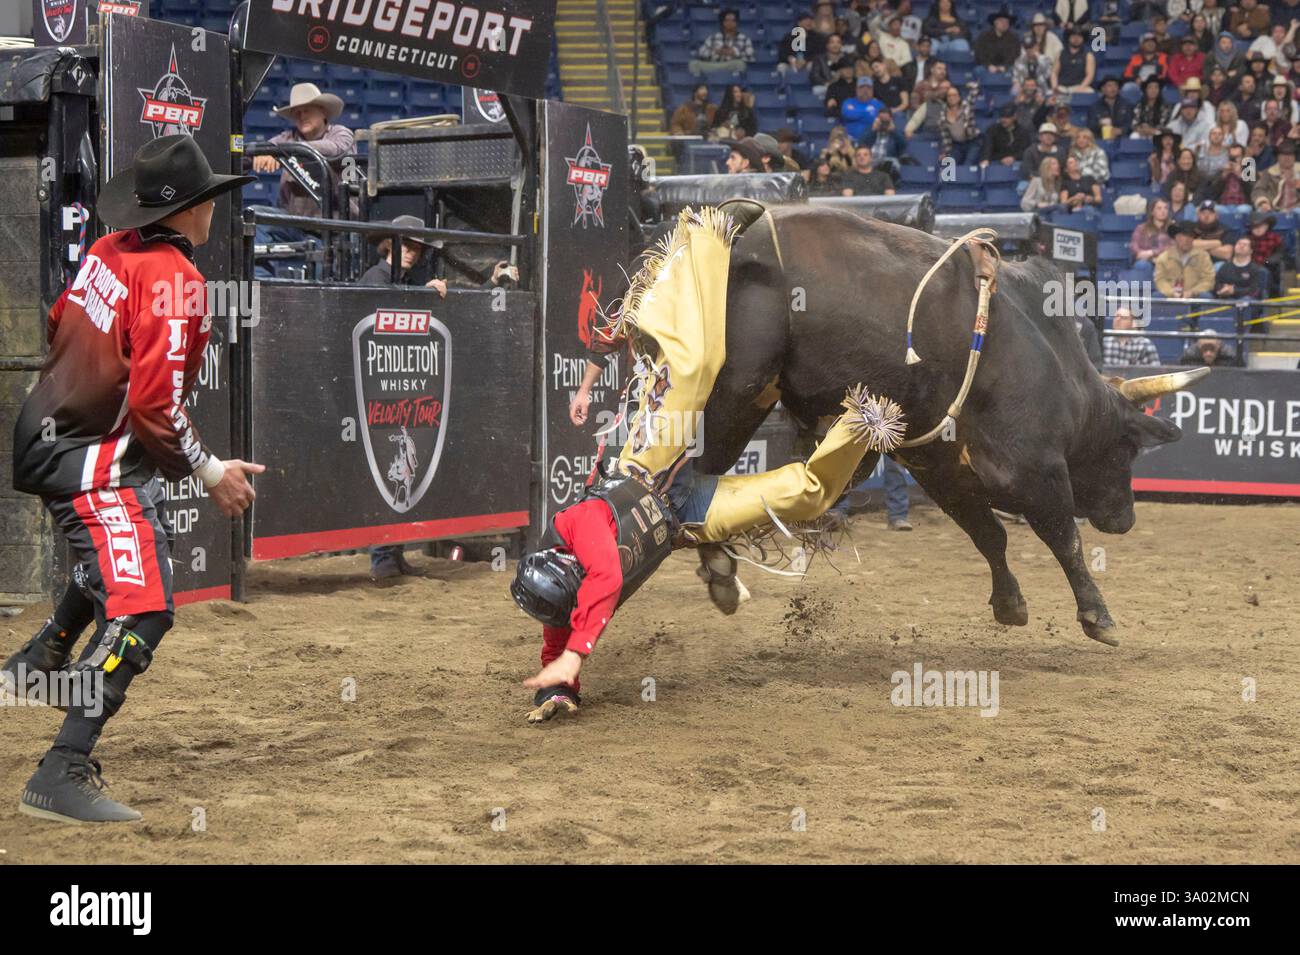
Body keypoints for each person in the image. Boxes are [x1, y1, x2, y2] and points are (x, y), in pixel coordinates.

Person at [2, 135, 262, 823]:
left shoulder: (106, 250)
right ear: (189, 211)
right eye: (207, 201)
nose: (214, 213)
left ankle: (39, 659)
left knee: (130, 555)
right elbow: (154, 401)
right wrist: (210, 470)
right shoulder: (178, 282)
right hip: (92, 459)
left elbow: (62, 320)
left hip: (55, 435)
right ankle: (60, 769)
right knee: (143, 603)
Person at [1155, 221, 1216, 297]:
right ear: (1176, 237)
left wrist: (1192, 292)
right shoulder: (1163, 258)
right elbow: (1160, 280)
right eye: (1183, 235)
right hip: (1170, 298)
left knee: (1206, 296)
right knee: (1157, 296)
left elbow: (1208, 280)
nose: (1187, 239)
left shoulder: (1203, 257)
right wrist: (1171, 292)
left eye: (1190, 236)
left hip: (1195, 298)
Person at [690, 8, 755, 75]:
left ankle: (734, 77)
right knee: (693, 64)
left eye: (733, 20)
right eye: (727, 20)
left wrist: (734, 52)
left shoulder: (744, 39)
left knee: (740, 64)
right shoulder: (713, 37)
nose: (730, 23)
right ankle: (701, 80)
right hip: (714, 65)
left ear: (736, 22)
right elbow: (702, 52)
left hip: (731, 65)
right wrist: (715, 51)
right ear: (723, 22)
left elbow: (750, 57)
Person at [1129, 197, 1174, 270]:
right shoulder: (1141, 228)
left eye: (1166, 208)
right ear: (1152, 212)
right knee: (1141, 265)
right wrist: (1140, 253)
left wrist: (1153, 252)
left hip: (1166, 261)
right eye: (1159, 208)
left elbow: (1173, 247)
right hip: (1147, 261)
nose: (1163, 211)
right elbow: (1134, 245)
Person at [974, 7, 1020, 72]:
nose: (1004, 24)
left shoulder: (1014, 38)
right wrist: (988, 65)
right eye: (1001, 21)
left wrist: (1005, 66)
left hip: (1007, 67)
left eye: (1007, 22)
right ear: (995, 22)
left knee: (1015, 71)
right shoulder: (984, 36)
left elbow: (1016, 55)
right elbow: (979, 54)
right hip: (987, 66)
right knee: (979, 70)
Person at [1053, 28, 1096, 93]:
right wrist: (1055, 87)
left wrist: (1080, 88)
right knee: (1048, 95)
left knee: (1090, 92)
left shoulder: (1088, 56)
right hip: (1061, 87)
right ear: (1068, 38)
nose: (1076, 39)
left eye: (1079, 36)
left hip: (1080, 87)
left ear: (1083, 39)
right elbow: (1054, 73)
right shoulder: (1060, 54)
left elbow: (1090, 76)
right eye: (1073, 36)